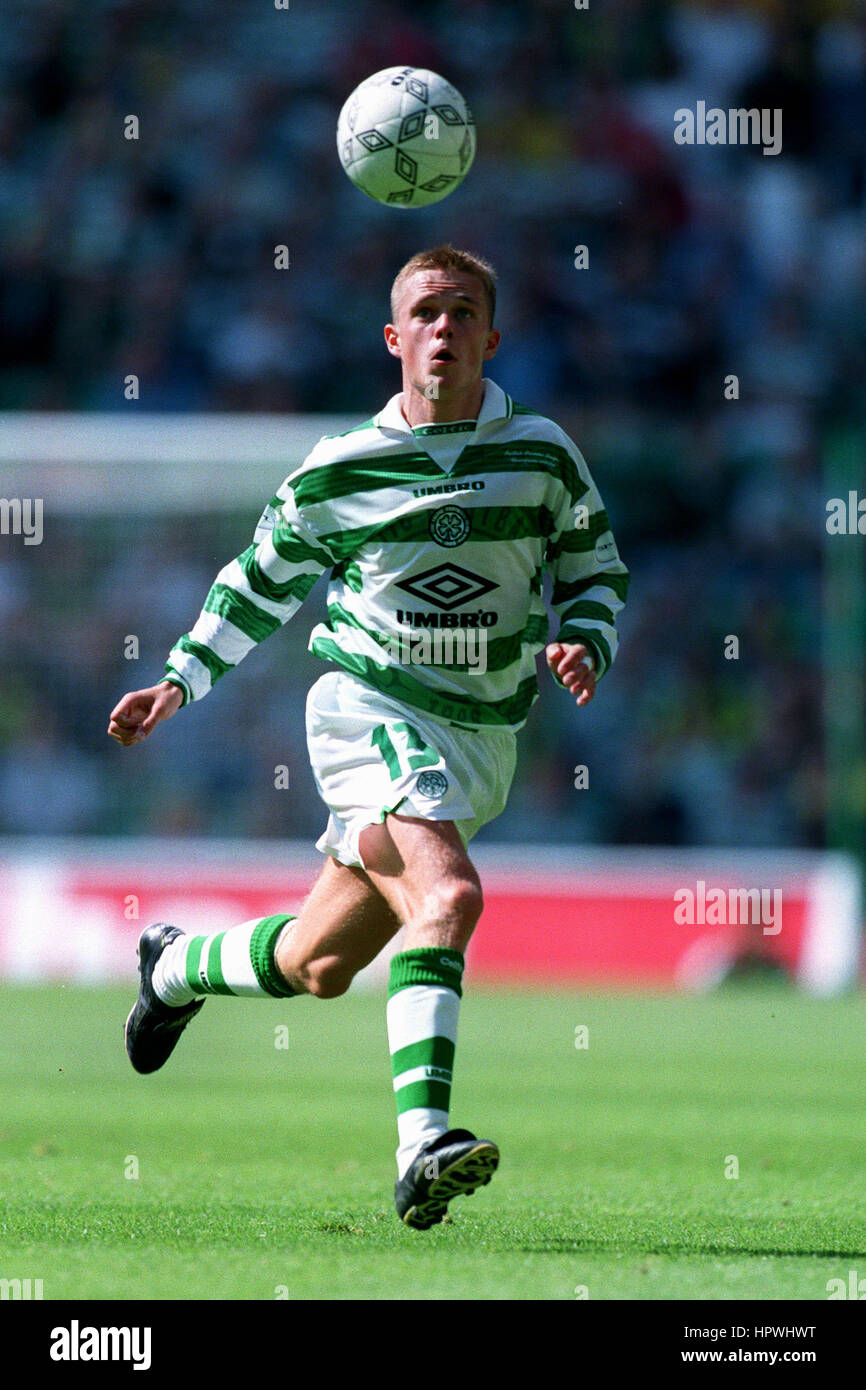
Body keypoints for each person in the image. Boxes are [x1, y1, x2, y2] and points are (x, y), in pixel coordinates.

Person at [108, 244, 629, 1230]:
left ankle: (172, 966)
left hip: (481, 738)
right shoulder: (341, 469)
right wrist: (178, 680)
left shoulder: (543, 454)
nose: (444, 326)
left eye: (463, 310)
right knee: (451, 895)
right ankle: (419, 1142)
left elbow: (595, 569)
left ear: (491, 335)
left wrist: (586, 644)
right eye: (425, 311)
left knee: (318, 963)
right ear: (393, 339)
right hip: (368, 709)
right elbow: (255, 586)